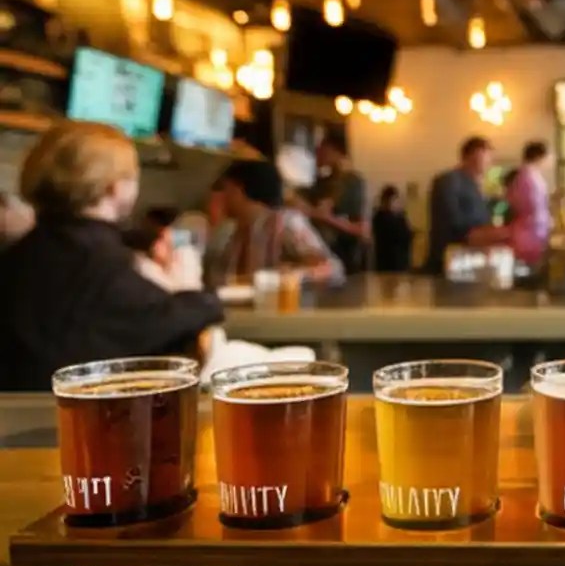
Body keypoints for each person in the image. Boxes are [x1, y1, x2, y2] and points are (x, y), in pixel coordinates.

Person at [0, 122, 223, 391]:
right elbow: (185, 323)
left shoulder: (15, 258)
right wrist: (187, 287)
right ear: (116, 187)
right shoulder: (106, 268)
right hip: (80, 427)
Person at [206, 160, 344, 286]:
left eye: (225, 189)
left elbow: (332, 269)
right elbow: (218, 280)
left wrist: (291, 276)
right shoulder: (233, 233)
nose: (222, 196)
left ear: (238, 190)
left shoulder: (285, 221)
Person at [425, 136, 510, 275]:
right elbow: (452, 220)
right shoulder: (449, 181)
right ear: (473, 155)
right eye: (486, 156)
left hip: (472, 257)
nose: (489, 162)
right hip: (451, 258)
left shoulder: (475, 186)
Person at [298, 135, 368, 274]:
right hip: (319, 252)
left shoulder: (352, 183)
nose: (318, 154)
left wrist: (322, 216)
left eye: (323, 150)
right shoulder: (319, 183)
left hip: (342, 252)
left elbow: (362, 229)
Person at [507, 140, 553, 267]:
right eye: (549, 156)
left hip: (532, 229)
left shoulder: (529, 175)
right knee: (530, 266)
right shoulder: (528, 177)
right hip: (530, 231)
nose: (551, 160)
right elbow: (533, 207)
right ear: (539, 156)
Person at [372, 185, 414, 272]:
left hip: (386, 263)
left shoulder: (378, 217)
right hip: (394, 263)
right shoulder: (388, 218)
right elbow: (405, 236)